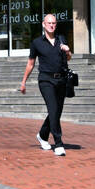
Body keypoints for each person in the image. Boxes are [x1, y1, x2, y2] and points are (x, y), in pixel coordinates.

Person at [19, 13, 71, 156]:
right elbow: (30, 64)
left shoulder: (61, 39)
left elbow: (68, 58)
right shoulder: (37, 43)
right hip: (45, 80)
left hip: (61, 80)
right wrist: (23, 82)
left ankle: (42, 135)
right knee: (53, 109)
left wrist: (68, 51)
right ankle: (58, 144)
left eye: (54, 23)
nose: (52, 25)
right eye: (49, 23)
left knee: (56, 112)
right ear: (43, 24)